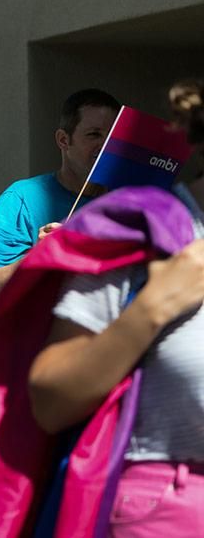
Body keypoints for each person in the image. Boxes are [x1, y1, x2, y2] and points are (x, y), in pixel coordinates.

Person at [28, 78, 204, 536]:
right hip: (170, 509)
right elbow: (50, 400)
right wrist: (153, 307)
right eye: (93, 136)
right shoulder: (139, 230)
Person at [0, 89, 121, 311]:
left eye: (112, 136)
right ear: (64, 140)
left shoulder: (127, 200)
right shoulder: (21, 199)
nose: (105, 145)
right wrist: (38, 258)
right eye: (94, 134)